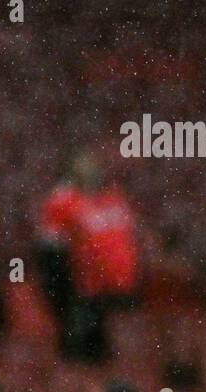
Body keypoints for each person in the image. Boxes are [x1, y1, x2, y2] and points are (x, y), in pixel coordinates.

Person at [37, 150, 139, 362]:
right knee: (86, 352)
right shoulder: (63, 202)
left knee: (127, 353)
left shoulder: (115, 197)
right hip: (89, 291)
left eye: (93, 164)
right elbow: (49, 251)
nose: (90, 169)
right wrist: (66, 294)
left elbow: (130, 240)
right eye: (83, 164)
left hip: (124, 288)